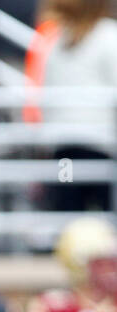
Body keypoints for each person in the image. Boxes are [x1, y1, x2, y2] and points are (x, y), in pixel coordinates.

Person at [41, 0, 117, 212]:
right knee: (68, 206)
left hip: (100, 146)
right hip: (69, 146)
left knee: (105, 209)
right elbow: (49, 92)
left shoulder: (107, 36)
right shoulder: (58, 40)